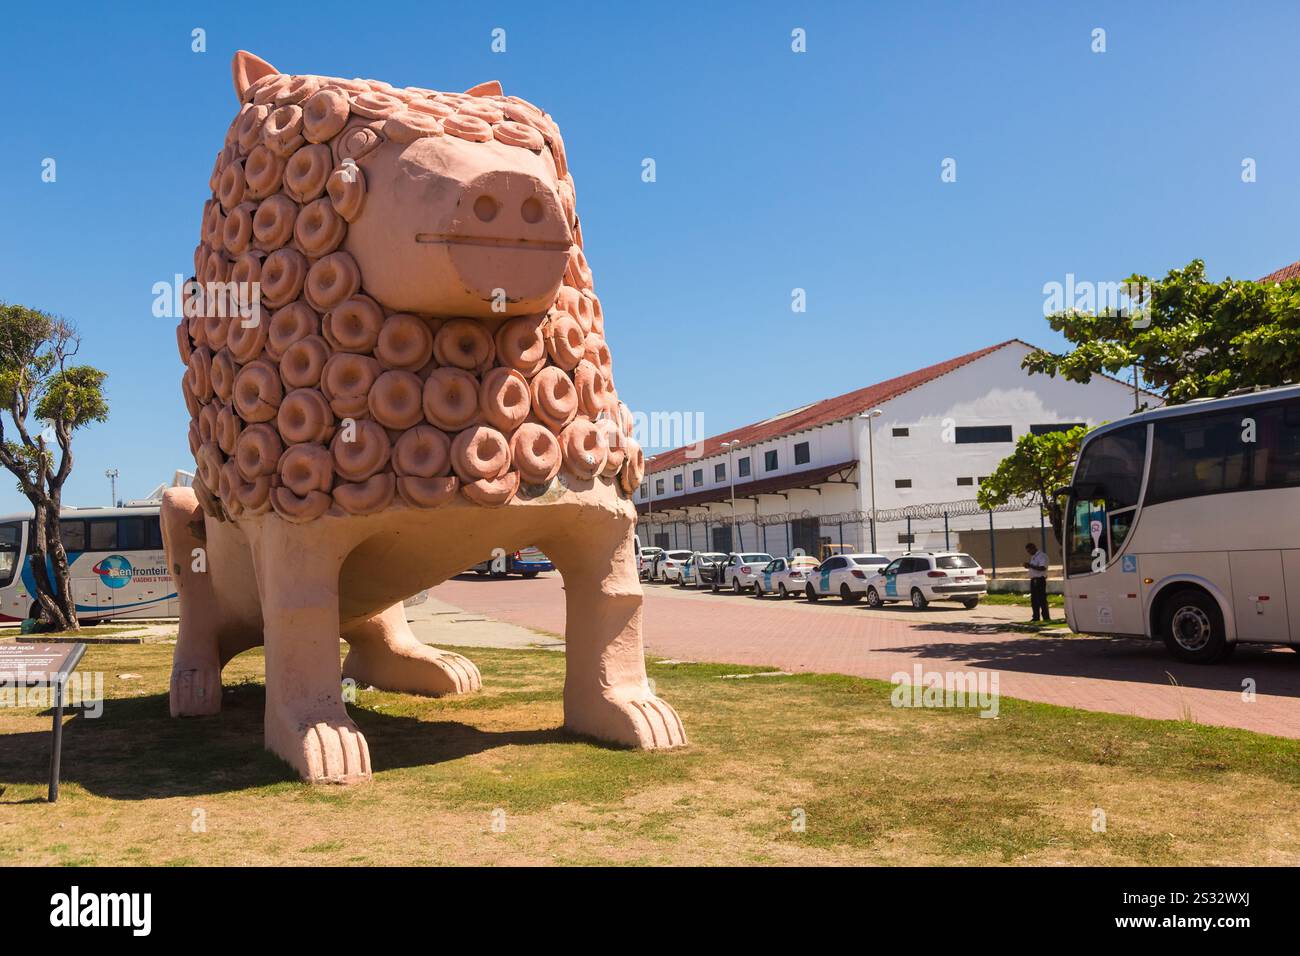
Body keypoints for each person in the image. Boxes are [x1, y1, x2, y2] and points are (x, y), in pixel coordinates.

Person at [1023, 542, 1050, 622]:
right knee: (1034, 600)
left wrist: (1030, 565)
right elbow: (1034, 568)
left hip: (1040, 580)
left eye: (1029, 551)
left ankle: (1046, 617)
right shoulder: (1034, 557)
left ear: (1033, 548)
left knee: (1042, 599)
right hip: (1033, 580)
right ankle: (1036, 617)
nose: (1029, 553)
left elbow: (1042, 568)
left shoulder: (1042, 556)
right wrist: (1028, 566)